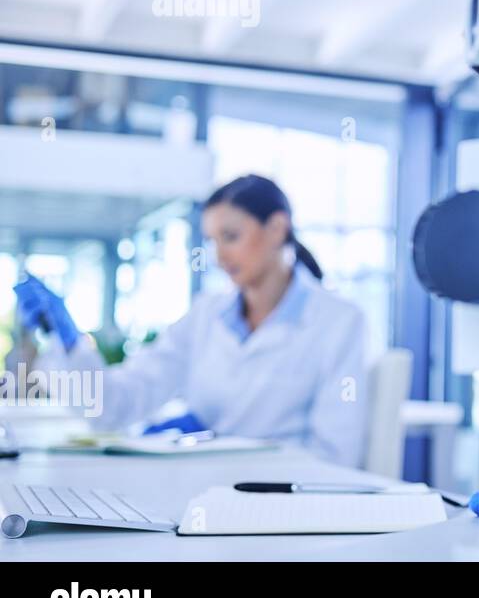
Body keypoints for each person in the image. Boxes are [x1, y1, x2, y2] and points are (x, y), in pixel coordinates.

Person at [15, 175, 369, 468]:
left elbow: (335, 456)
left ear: (277, 228)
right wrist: (69, 343)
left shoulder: (338, 322)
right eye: (213, 241)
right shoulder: (205, 315)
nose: (219, 256)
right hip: (199, 492)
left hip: (281, 507)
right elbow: (114, 408)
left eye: (231, 237)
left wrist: (223, 449)